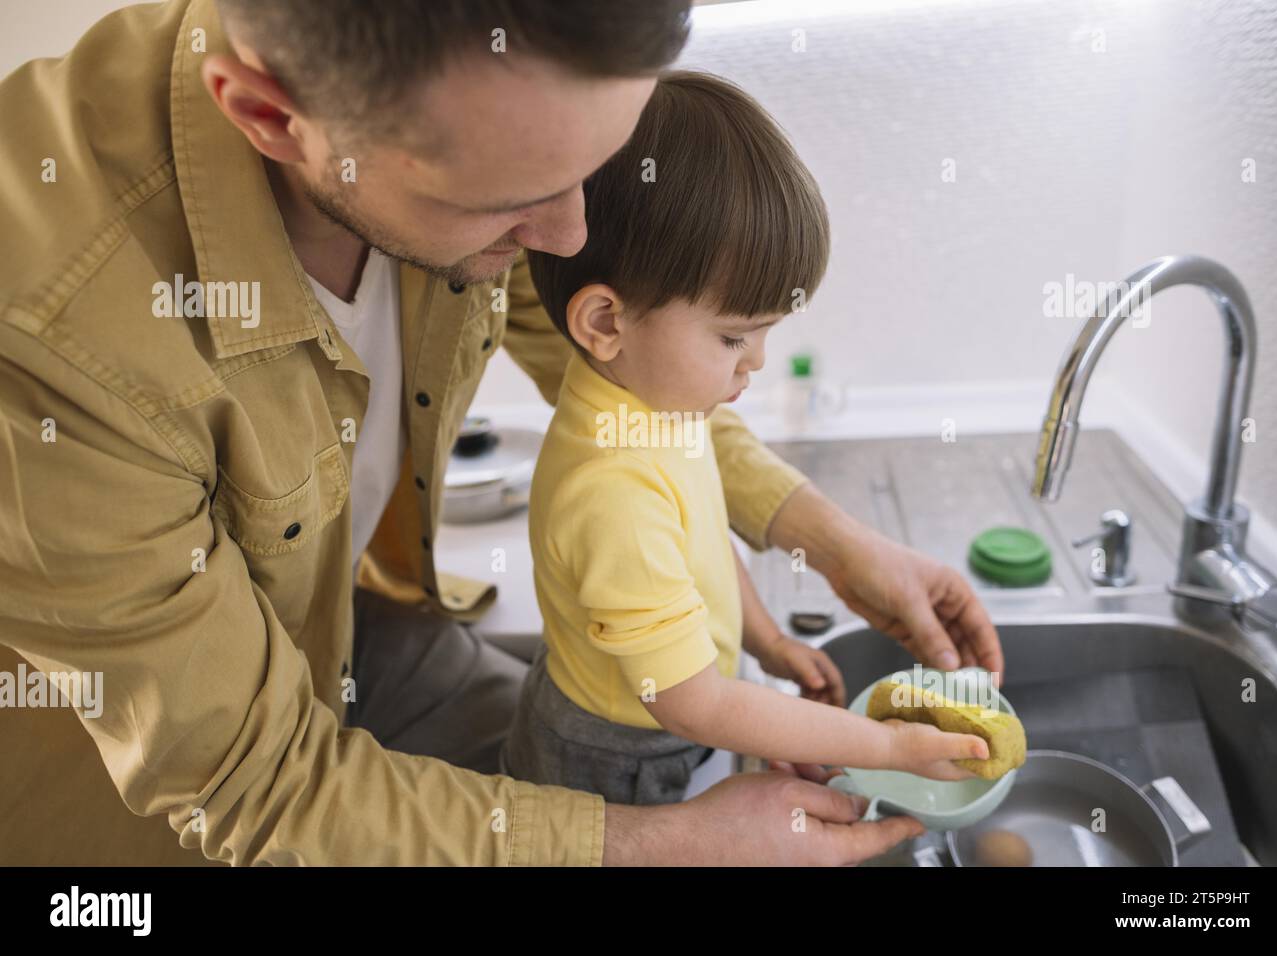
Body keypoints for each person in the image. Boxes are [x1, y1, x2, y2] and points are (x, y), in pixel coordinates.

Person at [0, 0, 1003, 866]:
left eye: (594, 167)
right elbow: (256, 785)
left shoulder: (466, 139)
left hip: (360, 633)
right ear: (271, 118)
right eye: (510, 202)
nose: (568, 240)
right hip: (151, 802)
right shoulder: (53, 341)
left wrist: (825, 536)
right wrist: (677, 843)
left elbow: (620, 369)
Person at [502, 71, 990, 805]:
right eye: (734, 335)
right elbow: (696, 704)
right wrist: (887, 746)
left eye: (765, 333)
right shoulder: (612, 492)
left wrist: (765, 642)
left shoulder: (656, 406)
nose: (756, 360)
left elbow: (701, 549)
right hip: (617, 761)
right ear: (605, 323)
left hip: (671, 706)